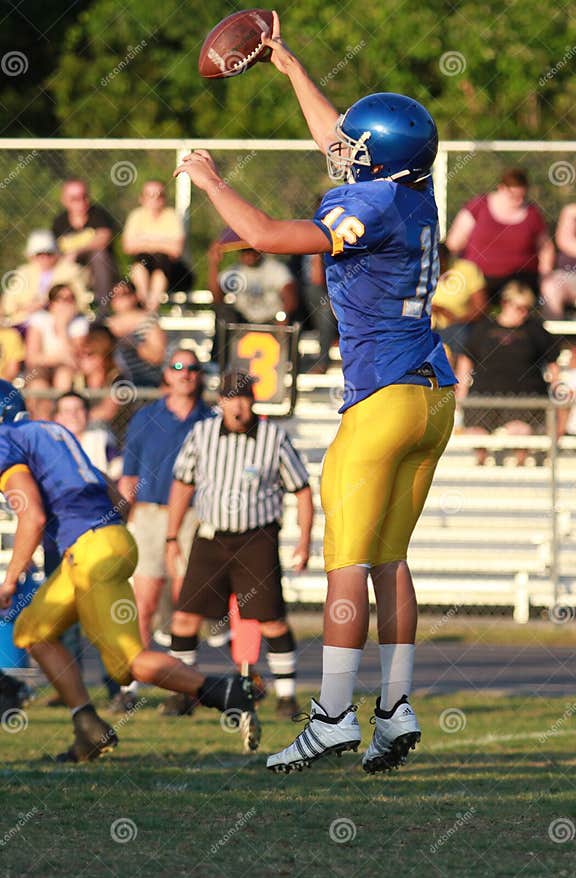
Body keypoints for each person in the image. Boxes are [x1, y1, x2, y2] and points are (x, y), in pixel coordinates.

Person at [173, 12, 456, 774]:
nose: (345, 154)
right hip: (434, 396)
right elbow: (345, 145)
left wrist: (209, 181)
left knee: (347, 564)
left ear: (379, 163)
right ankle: (393, 710)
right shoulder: (413, 191)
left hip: (383, 401)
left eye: (359, 151)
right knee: (391, 559)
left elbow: (265, 235)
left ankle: (331, 715)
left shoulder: (365, 205)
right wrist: (290, 66)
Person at [0, 381, 259, 762]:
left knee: (127, 664)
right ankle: (87, 726)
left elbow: (32, 515)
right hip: (105, 540)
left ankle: (226, 692)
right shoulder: (50, 432)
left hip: (91, 551)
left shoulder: (7, 440)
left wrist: (9, 581)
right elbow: (112, 491)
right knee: (33, 631)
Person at [164, 369, 312, 719]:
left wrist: (304, 539)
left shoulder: (273, 437)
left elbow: (302, 489)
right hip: (211, 536)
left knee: (270, 620)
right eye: (232, 398)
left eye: (245, 398)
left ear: (254, 402)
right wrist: (172, 536)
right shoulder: (202, 434)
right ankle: (183, 693)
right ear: (221, 402)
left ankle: (286, 697)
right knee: (184, 619)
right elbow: (182, 484)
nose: (239, 407)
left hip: (255, 538)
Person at [117, 348, 213, 711]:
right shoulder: (146, 417)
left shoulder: (209, 419)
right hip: (151, 514)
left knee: (185, 603)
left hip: (192, 516)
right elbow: (129, 477)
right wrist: (129, 518)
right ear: (166, 375)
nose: (185, 373)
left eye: (192, 367)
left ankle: (184, 689)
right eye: (178, 366)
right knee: (143, 601)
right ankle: (130, 687)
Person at [455, 281, 560, 466]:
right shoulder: (484, 329)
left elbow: (553, 364)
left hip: (525, 398)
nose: (524, 313)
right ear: (505, 303)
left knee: (520, 432)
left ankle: (520, 474)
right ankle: (480, 473)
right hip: (484, 396)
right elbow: (466, 360)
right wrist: (461, 394)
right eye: (520, 307)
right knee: (477, 434)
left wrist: (557, 388)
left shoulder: (534, 329)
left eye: (528, 308)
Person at [446, 168, 555, 303]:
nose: (518, 201)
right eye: (513, 196)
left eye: (522, 196)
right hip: (478, 279)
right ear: (501, 188)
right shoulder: (479, 206)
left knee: (519, 296)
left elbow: (545, 248)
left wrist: (545, 276)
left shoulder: (532, 214)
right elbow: (454, 244)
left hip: (519, 280)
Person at [122, 180, 194, 311]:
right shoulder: (136, 216)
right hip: (144, 269)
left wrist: (145, 241)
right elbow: (128, 246)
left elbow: (176, 250)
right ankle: (145, 304)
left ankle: (149, 309)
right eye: (150, 195)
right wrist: (162, 242)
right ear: (142, 198)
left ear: (164, 198)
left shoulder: (171, 216)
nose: (155, 200)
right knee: (141, 263)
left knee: (161, 261)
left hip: (174, 273)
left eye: (159, 195)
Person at [52, 179, 119, 313]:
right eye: (74, 198)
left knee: (99, 256)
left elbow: (103, 238)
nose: (81, 201)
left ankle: (103, 310)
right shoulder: (59, 222)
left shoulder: (98, 215)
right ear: (64, 200)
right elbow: (54, 250)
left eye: (84, 196)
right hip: (71, 273)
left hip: (98, 273)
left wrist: (77, 251)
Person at [208, 235, 298, 325]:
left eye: (251, 250)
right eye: (244, 251)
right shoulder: (234, 271)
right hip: (243, 324)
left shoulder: (276, 269)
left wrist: (284, 315)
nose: (248, 254)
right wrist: (214, 263)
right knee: (222, 315)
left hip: (271, 323)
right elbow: (217, 298)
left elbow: (290, 296)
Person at [5, 230, 88, 327]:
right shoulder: (23, 272)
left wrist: (51, 305)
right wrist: (27, 308)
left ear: (56, 254)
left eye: (49, 254)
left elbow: (83, 301)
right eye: (39, 254)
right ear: (32, 256)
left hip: (62, 322)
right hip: (24, 322)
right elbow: (9, 304)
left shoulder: (71, 271)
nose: (44, 258)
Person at [25, 284, 89, 389]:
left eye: (70, 298)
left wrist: (62, 327)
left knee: (64, 377)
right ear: (51, 304)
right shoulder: (39, 319)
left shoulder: (80, 323)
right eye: (61, 298)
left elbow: (74, 359)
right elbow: (32, 358)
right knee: (38, 385)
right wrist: (60, 358)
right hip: (41, 368)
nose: (66, 302)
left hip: (65, 368)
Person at [431, 242, 487, 361]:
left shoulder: (467, 269)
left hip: (459, 327)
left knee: (459, 334)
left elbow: (480, 307)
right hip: (427, 326)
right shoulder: (419, 272)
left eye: (439, 263)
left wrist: (456, 318)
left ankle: (458, 373)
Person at [105, 280, 166, 387]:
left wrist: (132, 341)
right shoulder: (106, 324)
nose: (118, 298)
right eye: (114, 295)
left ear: (134, 296)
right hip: (113, 384)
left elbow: (157, 357)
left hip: (145, 382)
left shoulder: (147, 320)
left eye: (124, 294)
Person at [53, 391, 121, 479]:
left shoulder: (100, 440)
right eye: (67, 411)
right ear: (57, 417)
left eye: (78, 409)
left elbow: (118, 468)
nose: (73, 415)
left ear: (87, 414)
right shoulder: (49, 444)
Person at [540, 203, 576, 319]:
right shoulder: (571, 211)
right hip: (568, 276)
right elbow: (565, 241)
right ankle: (553, 336)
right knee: (551, 286)